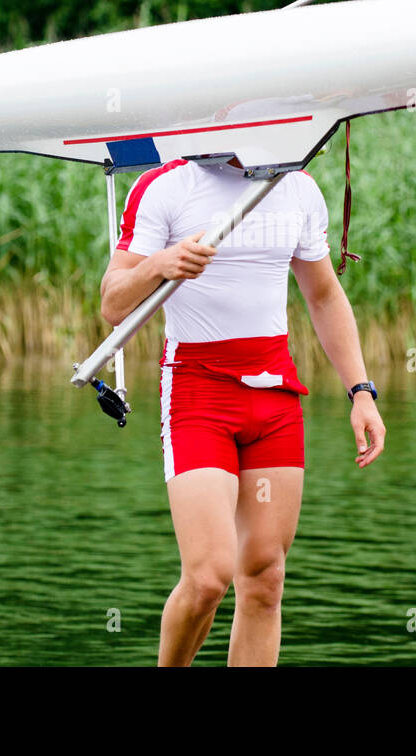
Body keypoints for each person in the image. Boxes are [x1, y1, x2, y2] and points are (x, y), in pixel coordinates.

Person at [99, 157, 386, 666]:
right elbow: (113, 304)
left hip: (274, 396)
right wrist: (159, 265)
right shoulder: (164, 185)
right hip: (198, 392)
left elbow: (322, 295)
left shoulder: (296, 187)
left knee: (264, 575)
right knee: (210, 575)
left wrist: (360, 391)